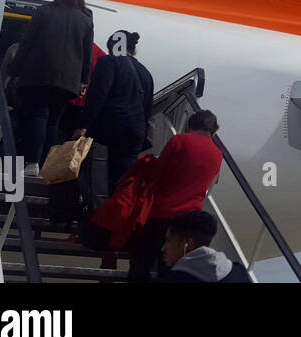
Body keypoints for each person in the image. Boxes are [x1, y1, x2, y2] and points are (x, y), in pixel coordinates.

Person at [126, 110, 224, 282]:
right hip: (190, 219)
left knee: (140, 265)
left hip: (161, 213)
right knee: (173, 271)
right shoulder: (217, 154)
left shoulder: (180, 140)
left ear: (188, 125)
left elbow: (158, 172)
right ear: (213, 132)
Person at [6, 0, 94, 173]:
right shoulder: (86, 19)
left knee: (38, 115)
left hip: (39, 74)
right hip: (67, 81)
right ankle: (46, 164)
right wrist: (83, 81)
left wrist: (13, 72)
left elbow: (26, 45)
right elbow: (87, 55)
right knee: (54, 121)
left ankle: (32, 162)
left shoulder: (44, 11)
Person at [72, 30, 154, 191]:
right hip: (136, 134)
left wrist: (83, 125)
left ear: (112, 46)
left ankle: (94, 212)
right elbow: (148, 109)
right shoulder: (145, 73)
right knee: (121, 181)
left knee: (96, 176)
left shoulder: (108, 62)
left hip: (111, 128)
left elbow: (97, 95)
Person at [159, 211, 250, 283]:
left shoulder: (173, 280)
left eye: (168, 241)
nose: (163, 248)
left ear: (187, 244)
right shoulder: (239, 271)